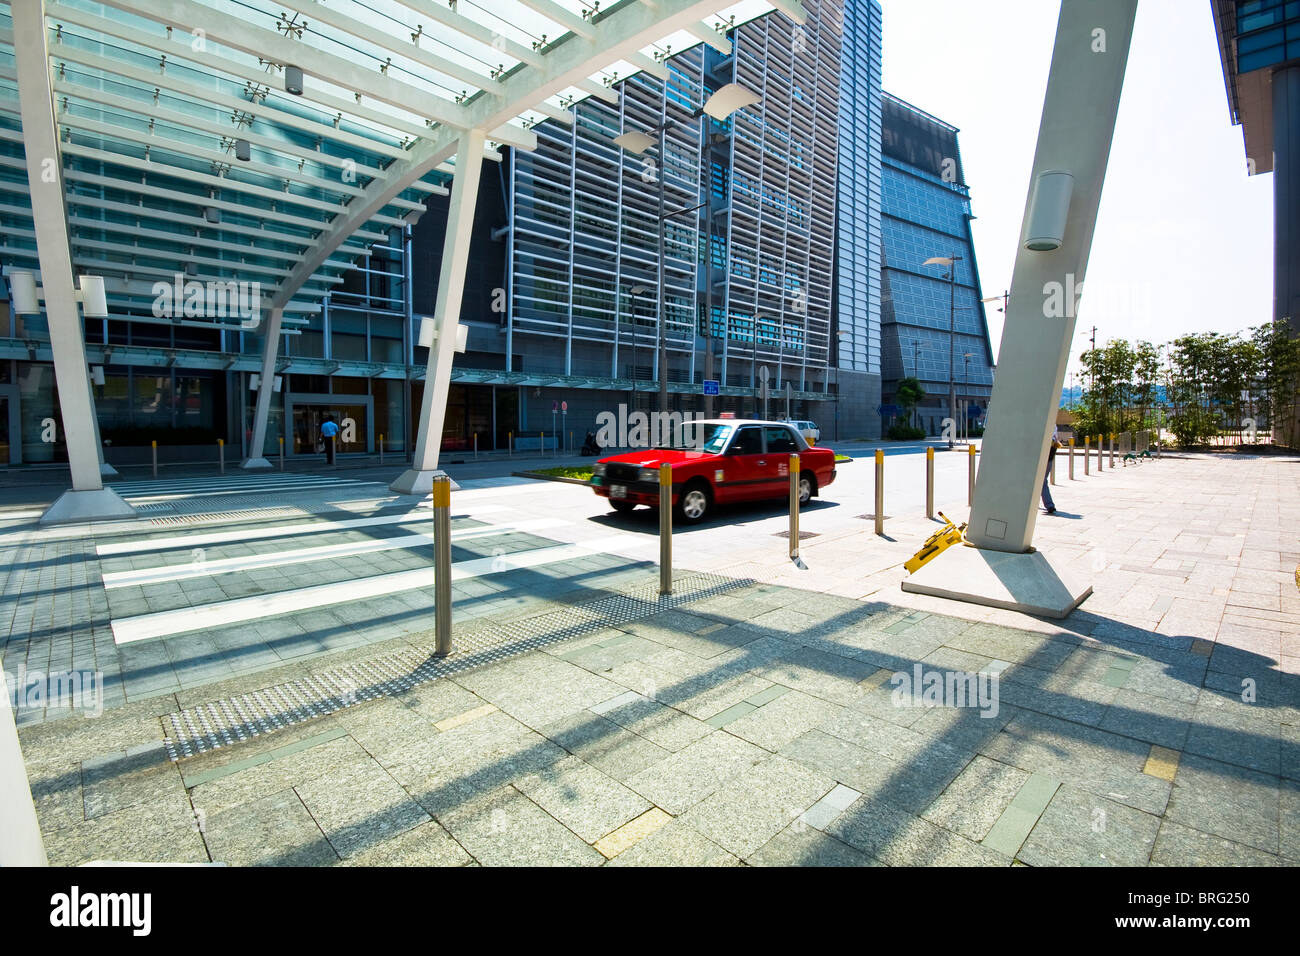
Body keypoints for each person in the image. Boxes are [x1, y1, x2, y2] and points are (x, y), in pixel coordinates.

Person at [1041, 427, 1060, 514]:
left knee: (1041, 482)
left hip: (1041, 457)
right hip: (1050, 457)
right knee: (1043, 481)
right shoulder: (1054, 426)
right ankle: (1049, 504)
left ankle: (1049, 505)